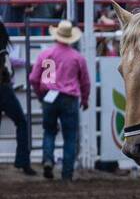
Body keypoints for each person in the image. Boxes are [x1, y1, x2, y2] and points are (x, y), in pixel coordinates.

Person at [28, 20, 90, 180]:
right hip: (69, 97)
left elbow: (34, 78)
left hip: (49, 96)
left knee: (49, 131)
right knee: (70, 136)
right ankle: (67, 173)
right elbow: (85, 81)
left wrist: (41, 96)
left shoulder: (45, 54)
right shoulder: (78, 58)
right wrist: (85, 99)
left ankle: (48, 160)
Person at [0, 27, 34, 174]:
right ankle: (23, 161)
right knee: (21, 122)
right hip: (5, 90)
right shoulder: (3, 49)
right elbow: (10, 68)